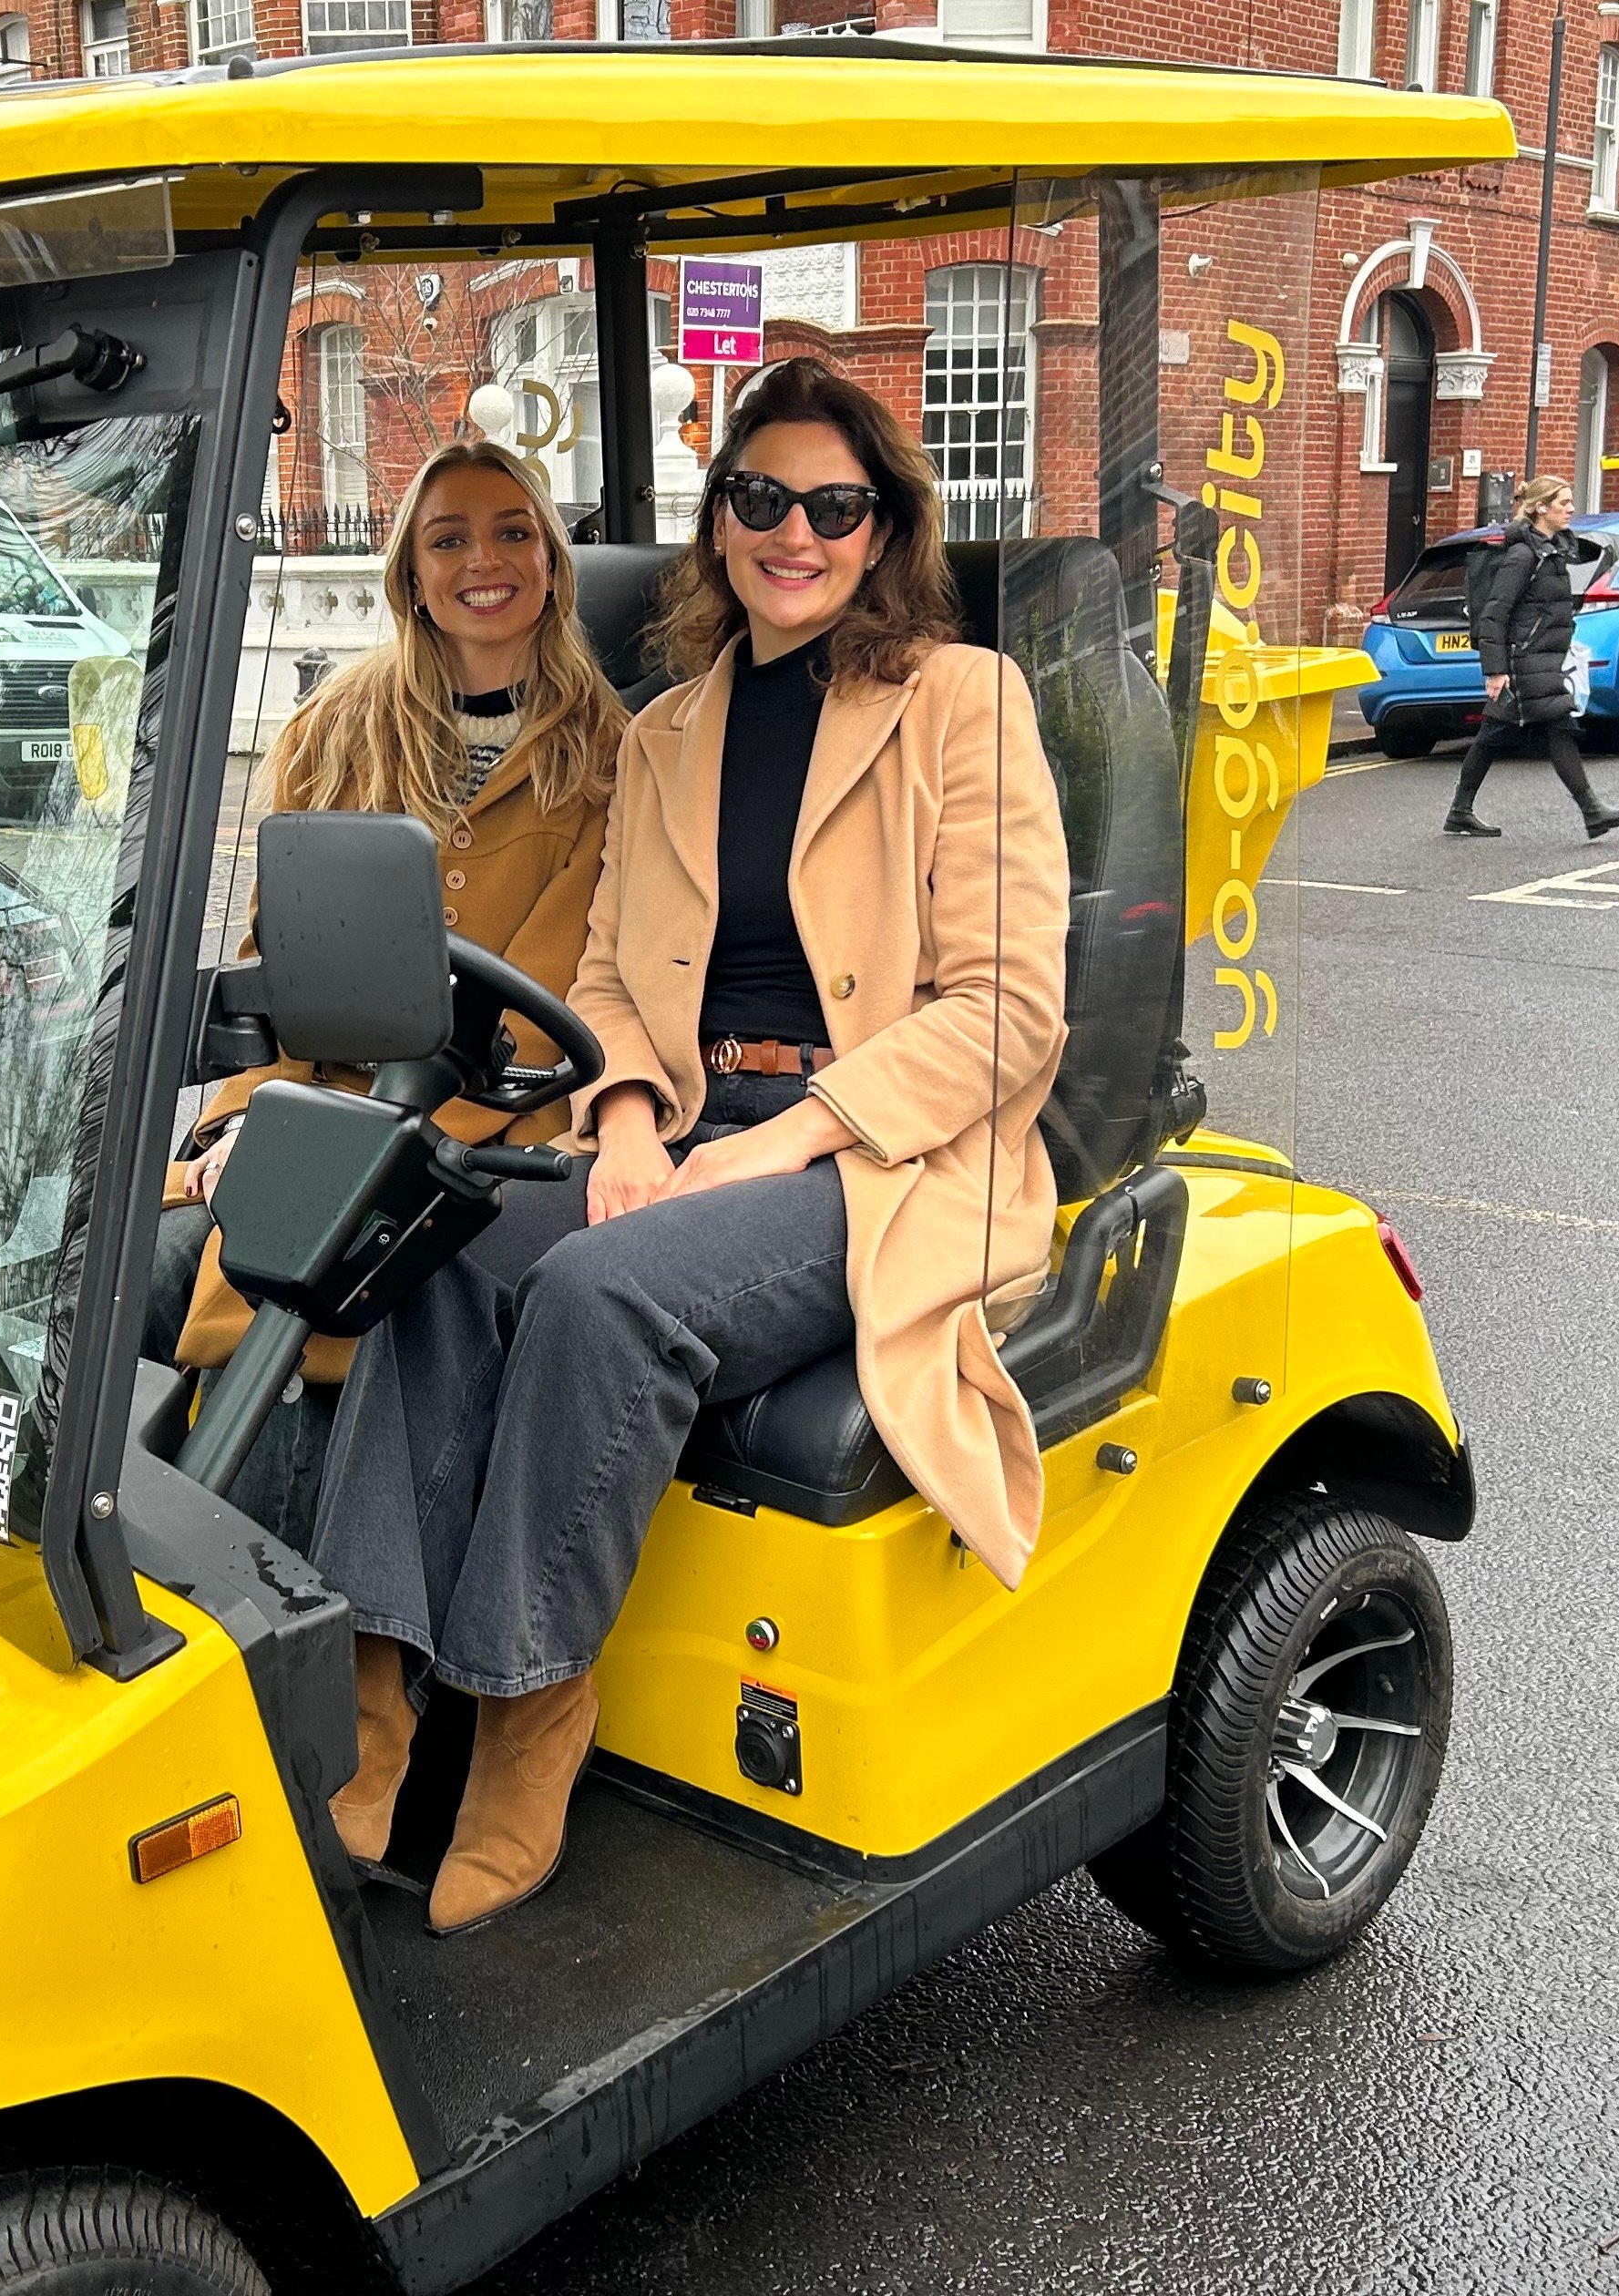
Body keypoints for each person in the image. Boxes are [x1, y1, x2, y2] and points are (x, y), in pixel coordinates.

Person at [309, 359, 1070, 1935]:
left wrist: (776, 1139)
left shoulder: (960, 702)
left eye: (832, 506)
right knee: (423, 1235)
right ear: (717, 523)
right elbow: (610, 980)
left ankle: (526, 1725)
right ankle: (375, 1710)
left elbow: (1012, 1012)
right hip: (697, 1124)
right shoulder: (666, 737)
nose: (794, 532)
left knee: (601, 1297)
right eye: (760, 499)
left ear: (880, 533)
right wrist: (638, 1117)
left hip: (877, 1153)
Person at [149, 440, 631, 1534]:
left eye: (514, 532)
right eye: (446, 538)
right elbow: (282, 974)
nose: (483, 561)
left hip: (474, 1137)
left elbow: (533, 1020)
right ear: (410, 572)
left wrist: (327, 1147)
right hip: (306, 1121)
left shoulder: (608, 756)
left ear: (553, 563)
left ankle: (269, 1645)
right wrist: (238, 1125)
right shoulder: (334, 729)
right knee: (130, 1275)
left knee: (298, 1321)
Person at [1445, 476, 1619, 842]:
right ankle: (1592, 812)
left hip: (1540, 658)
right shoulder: (1524, 555)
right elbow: (1494, 613)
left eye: (1570, 501)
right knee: (1553, 728)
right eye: (1562, 503)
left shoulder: (1550, 551)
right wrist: (1495, 670)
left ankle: (1460, 810)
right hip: (1523, 661)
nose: (1571, 509)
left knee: (1502, 733)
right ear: (1540, 509)